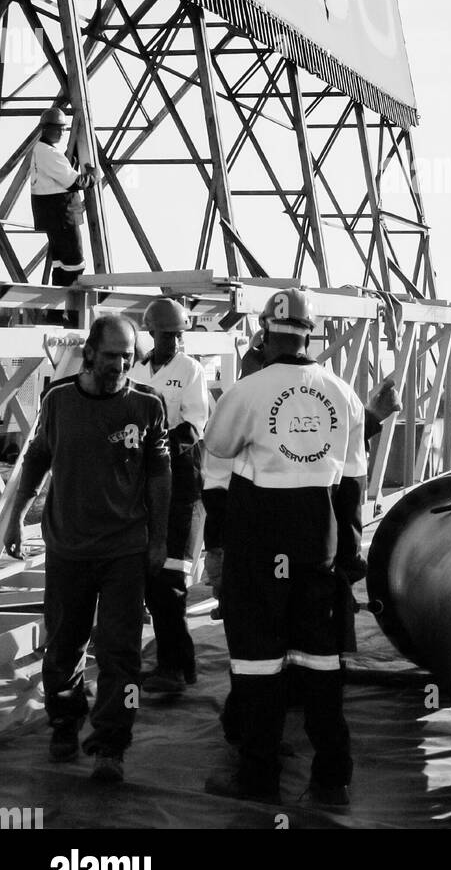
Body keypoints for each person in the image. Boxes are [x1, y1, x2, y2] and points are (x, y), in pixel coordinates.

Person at [200, 287, 368, 807]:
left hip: (261, 540)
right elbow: (352, 482)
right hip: (318, 539)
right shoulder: (343, 393)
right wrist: (348, 553)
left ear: (264, 333)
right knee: (320, 660)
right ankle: (332, 778)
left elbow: (219, 451)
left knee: (257, 660)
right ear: (310, 336)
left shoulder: (247, 392)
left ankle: (259, 776)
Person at [2, 316, 170, 782]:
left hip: (124, 551)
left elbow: (160, 476)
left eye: (127, 355)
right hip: (68, 548)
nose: (120, 363)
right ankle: (63, 721)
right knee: (63, 648)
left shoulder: (147, 404)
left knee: (121, 653)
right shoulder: (58, 400)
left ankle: (111, 745)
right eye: (112, 353)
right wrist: (16, 516)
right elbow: (36, 457)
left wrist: (158, 540)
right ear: (91, 352)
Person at [129, 298, 209, 695]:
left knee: (170, 580)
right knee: (153, 580)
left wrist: (158, 443)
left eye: (179, 334)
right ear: (152, 334)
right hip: (147, 487)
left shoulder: (190, 370)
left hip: (181, 488)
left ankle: (174, 668)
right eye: (166, 334)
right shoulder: (137, 371)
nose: (174, 341)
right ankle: (179, 664)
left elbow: (194, 424)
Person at [29, 106, 97, 285]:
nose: (62, 132)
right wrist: (93, 177)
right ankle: (73, 309)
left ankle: (57, 312)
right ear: (46, 129)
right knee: (75, 262)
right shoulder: (48, 153)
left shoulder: (43, 150)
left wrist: (73, 152)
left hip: (52, 215)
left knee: (60, 263)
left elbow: (63, 169)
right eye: (58, 128)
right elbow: (73, 182)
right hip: (62, 215)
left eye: (64, 129)